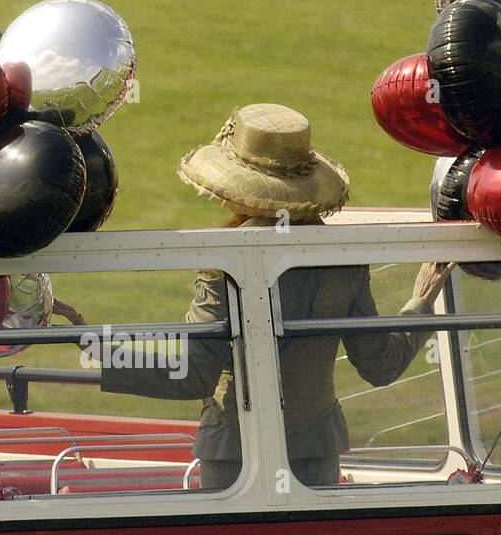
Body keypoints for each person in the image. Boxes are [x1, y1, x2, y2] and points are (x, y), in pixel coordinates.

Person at [97, 103, 454, 489]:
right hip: (314, 452)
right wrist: (420, 302)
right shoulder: (343, 261)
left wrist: (105, 355)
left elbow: (194, 376)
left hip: (234, 454)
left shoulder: (223, 262)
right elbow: (380, 365)